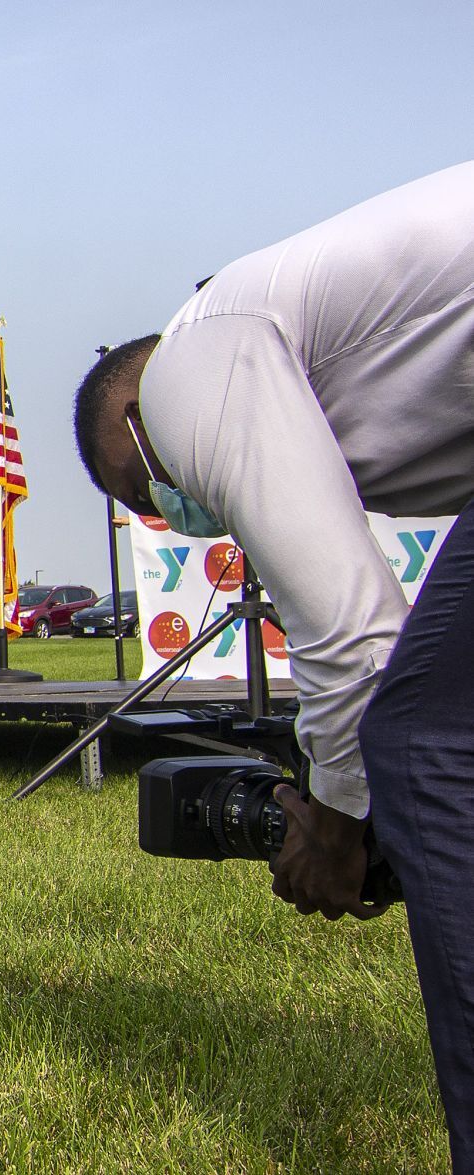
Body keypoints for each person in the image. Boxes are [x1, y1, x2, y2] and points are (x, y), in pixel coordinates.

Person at [70, 161, 474, 1167]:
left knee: (420, 739)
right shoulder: (351, 407)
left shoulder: (186, 364)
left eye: (142, 488)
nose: (166, 510)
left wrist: (337, 823)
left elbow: (351, 630)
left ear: (133, 420)